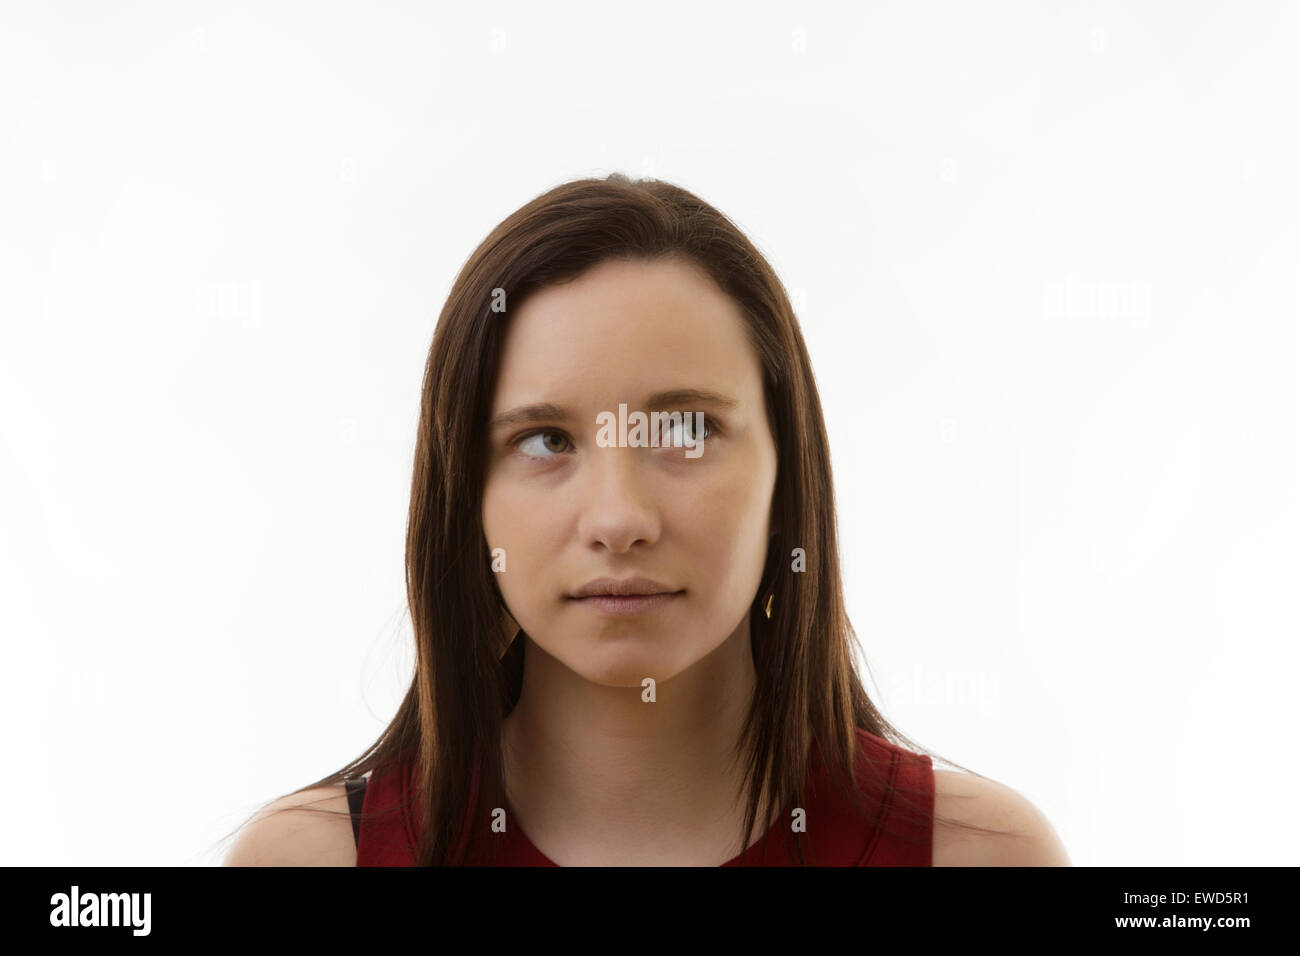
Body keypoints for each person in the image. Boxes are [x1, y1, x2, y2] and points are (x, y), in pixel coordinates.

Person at [223, 174, 1070, 866]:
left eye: (687, 431)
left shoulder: (978, 857)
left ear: (788, 472)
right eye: (546, 439)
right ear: (466, 500)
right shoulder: (307, 864)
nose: (619, 519)